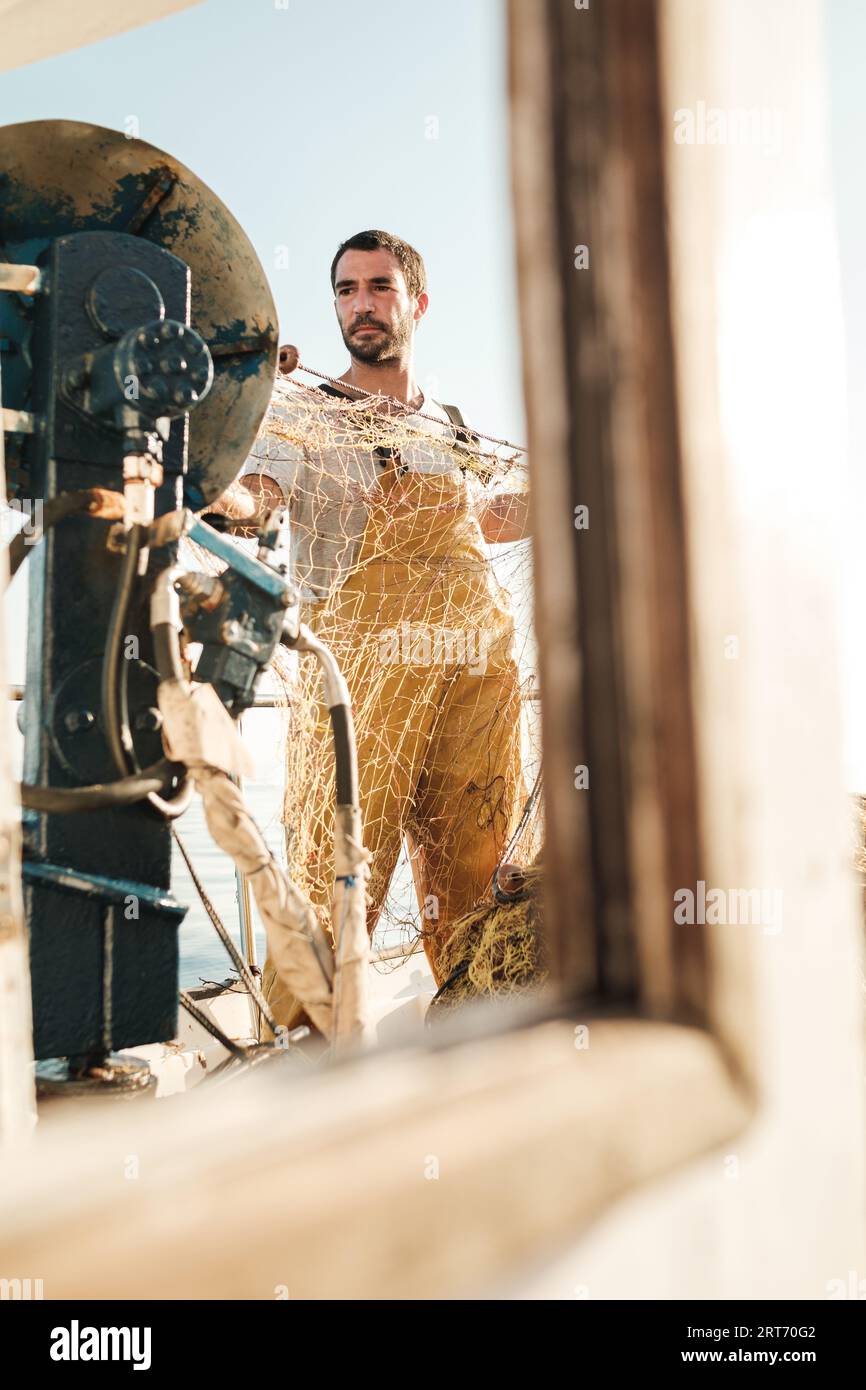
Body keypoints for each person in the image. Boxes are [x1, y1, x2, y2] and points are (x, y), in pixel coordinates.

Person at [218, 229, 529, 1035]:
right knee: (335, 872)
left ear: (416, 304)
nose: (362, 305)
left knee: (475, 865)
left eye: (380, 287)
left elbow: (484, 520)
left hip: (474, 666)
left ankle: (472, 1027)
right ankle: (302, 1047)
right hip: (360, 675)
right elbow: (257, 499)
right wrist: (217, 495)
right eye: (348, 290)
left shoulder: (451, 426)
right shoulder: (300, 413)